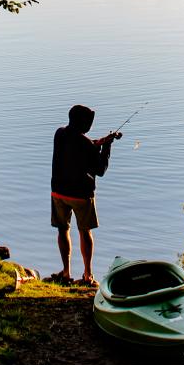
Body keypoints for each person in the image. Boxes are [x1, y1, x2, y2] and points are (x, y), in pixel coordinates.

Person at [49, 103, 119, 285]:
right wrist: (107, 148)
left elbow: (80, 143)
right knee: (84, 231)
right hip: (81, 195)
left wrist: (100, 141)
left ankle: (65, 273)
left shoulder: (60, 133)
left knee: (62, 230)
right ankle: (87, 275)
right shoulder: (85, 144)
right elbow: (100, 169)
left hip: (58, 192)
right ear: (83, 123)